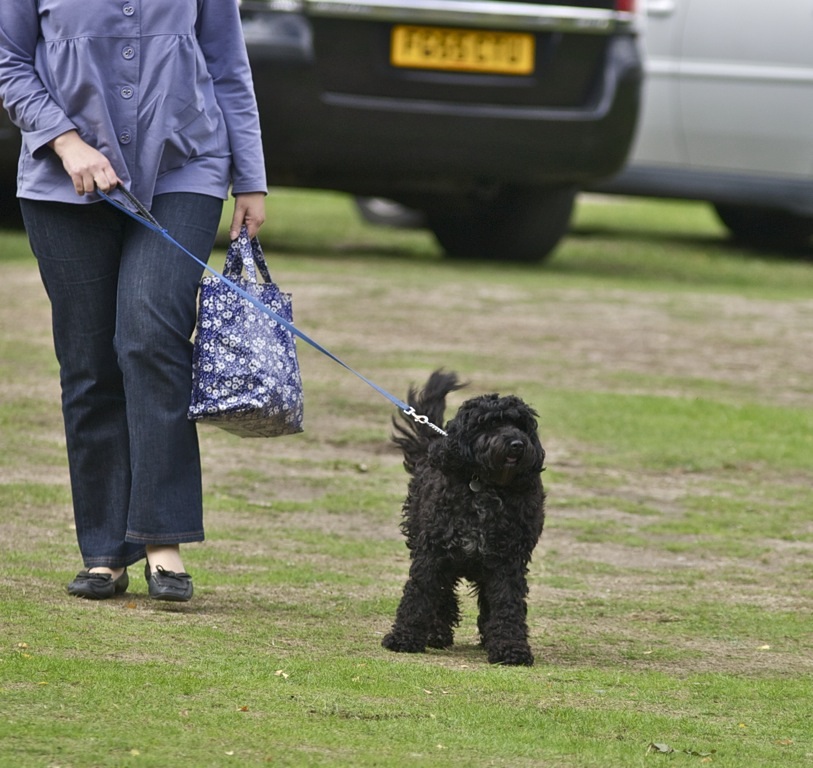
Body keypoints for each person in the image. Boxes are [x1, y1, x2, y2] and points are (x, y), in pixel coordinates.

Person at [0, 0, 267, 601]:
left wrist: (250, 177)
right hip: (62, 182)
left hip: (185, 170)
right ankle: (104, 551)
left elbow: (228, 64)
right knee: (89, 363)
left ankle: (161, 540)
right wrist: (65, 140)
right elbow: (8, 60)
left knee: (150, 338)